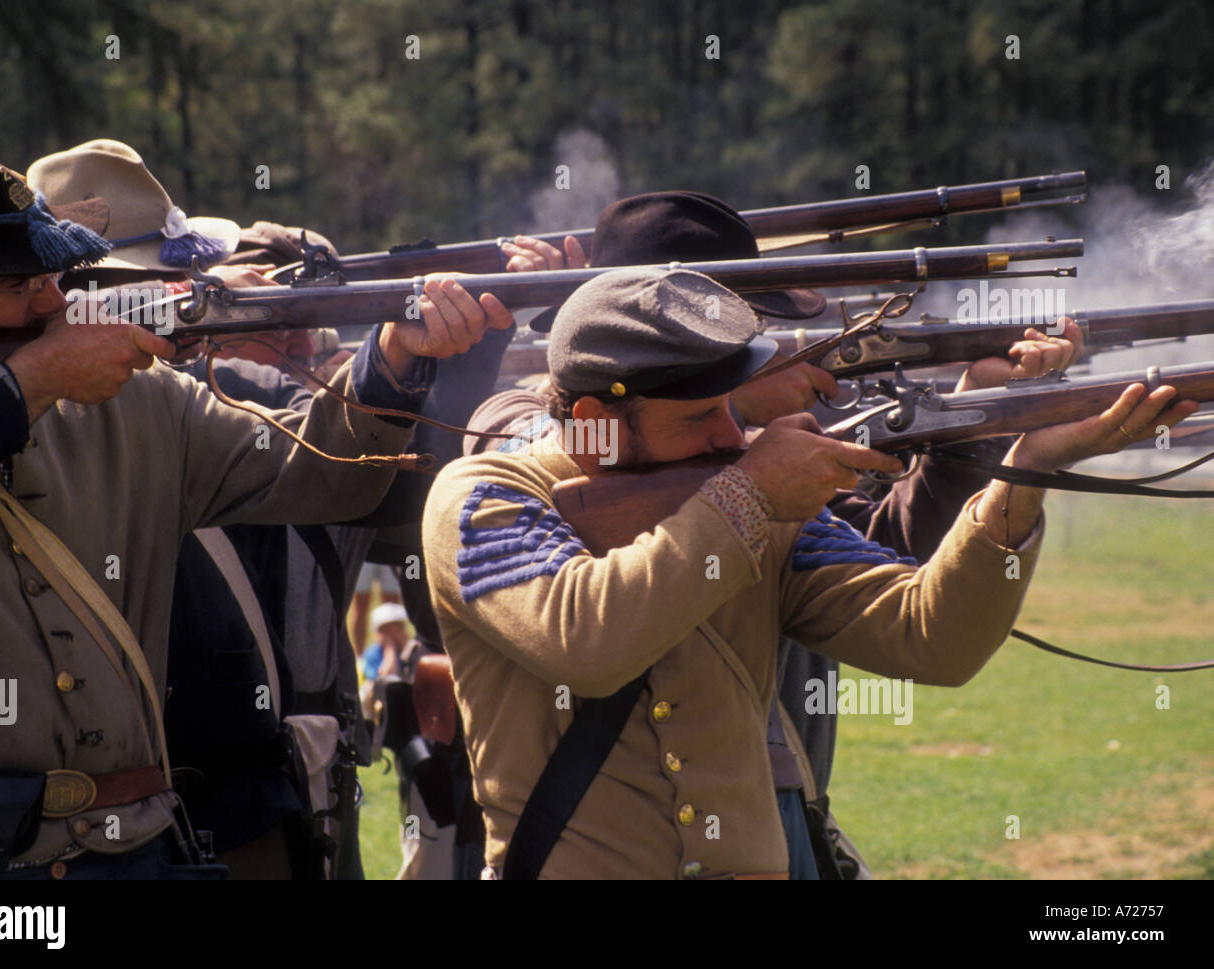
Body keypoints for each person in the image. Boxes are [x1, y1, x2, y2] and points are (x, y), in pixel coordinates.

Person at [422, 266, 1193, 879]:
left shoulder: (746, 494)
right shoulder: (484, 496)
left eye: (731, 407)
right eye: (698, 418)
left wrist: (1023, 469)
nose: (732, 435)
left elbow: (933, 638)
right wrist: (750, 494)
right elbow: (585, 640)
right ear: (594, 417)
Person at [0, 127, 513, 879]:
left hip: (138, 849)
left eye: (50, 274)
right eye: (19, 285)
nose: (56, 297)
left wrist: (390, 360)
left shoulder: (137, 404)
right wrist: (28, 384)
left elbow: (319, 472)